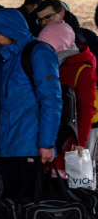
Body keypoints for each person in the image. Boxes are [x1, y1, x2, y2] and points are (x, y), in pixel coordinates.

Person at [0, 9, 61, 219]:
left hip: (29, 139)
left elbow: (52, 101)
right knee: (9, 190)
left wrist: (46, 143)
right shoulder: (4, 55)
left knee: (26, 192)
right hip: (6, 138)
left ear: (10, 32)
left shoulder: (39, 53)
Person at [38, 22, 97, 171]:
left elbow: (86, 108)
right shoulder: (50, 64)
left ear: (60, 44)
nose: (43, 51)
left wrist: (80, 143)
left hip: (68, 139)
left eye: (49, 46)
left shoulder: (82, 69)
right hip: (48, 136)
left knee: (63, 182)